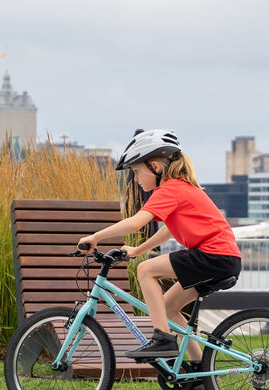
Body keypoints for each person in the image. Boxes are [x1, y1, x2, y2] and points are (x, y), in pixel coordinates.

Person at [78, 129, 242, 361]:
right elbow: (168, 229)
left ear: (155, 167)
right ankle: (198, 372)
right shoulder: (181, 188)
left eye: (136, 171)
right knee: (168, 308)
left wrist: (95, 237)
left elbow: (136, 223)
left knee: (146, 270)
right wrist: (137, 250)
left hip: (212, 255)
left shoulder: (169, 188)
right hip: (223, 259)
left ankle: (162, 339)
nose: (135, 178)